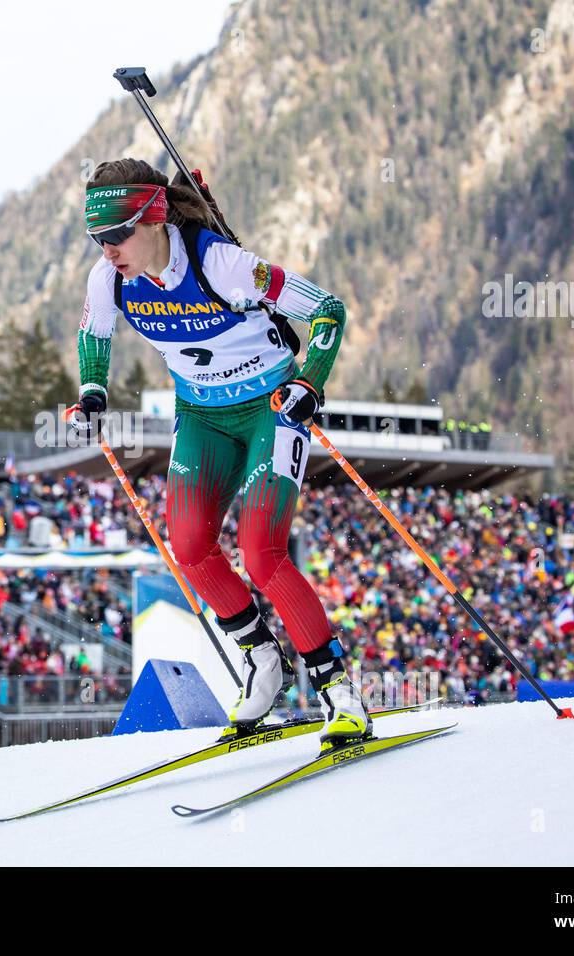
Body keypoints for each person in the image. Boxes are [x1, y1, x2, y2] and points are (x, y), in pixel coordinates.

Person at [69, 158, 367, 744]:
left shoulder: (220, 263)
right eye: (96, 238)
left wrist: (310, 382)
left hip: (270, 409)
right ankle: (262, 660)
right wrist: (93, 392)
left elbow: (327, 310)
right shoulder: (108, 281)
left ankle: (338, 689)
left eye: (117, 234)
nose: (107, 251)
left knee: (263, 554)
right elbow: (94, 335)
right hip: (201, 416)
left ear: (154, 217)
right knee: (190, 549)